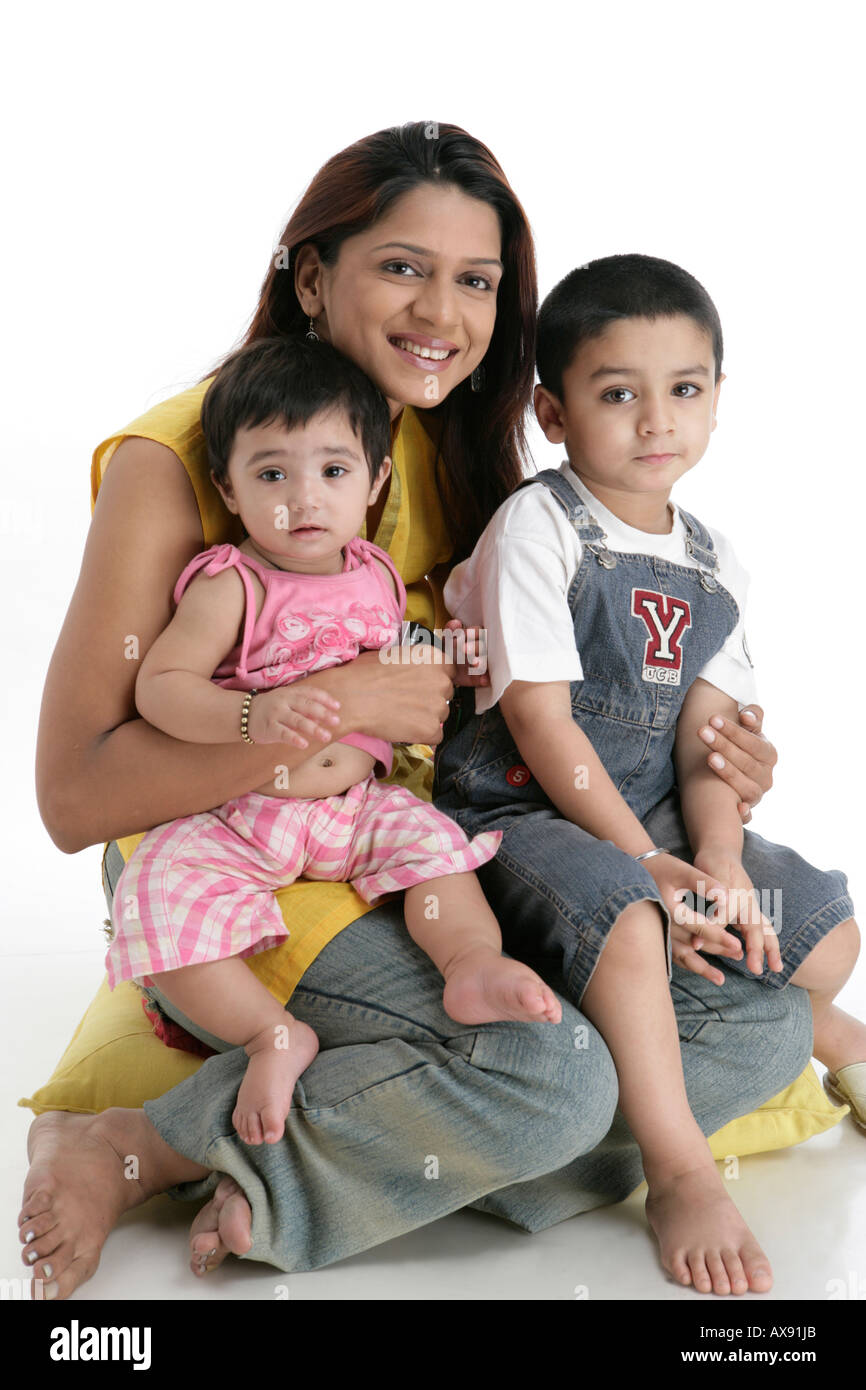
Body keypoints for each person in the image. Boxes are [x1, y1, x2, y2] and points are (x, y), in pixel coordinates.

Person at [22, 126, 794, 1304]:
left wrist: (711, 751)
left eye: (476, 281)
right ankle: (139, 1145)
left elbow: (547, 706)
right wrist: (302, 719)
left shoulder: (453, 451)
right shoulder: (182, 456)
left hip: (428, 851)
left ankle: (378, 1160)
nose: (441, 310)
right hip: (238, 861)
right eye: (400, 267)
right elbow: (74, 795)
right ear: (311, 275)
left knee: (762, 1027)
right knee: (557, 1076)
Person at [433, 252, 862, 1294]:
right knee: (629, 913)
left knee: (817, 931)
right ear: (551, 409)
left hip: (659, 814)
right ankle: (674, 1166)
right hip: (522, 810)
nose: (654, 420)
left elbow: (707, 738)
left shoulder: (714, 559)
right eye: (616, 393)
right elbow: (535, 718)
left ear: (716, 398)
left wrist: (711, 853)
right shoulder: (540, 526)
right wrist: (644, 865)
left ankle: (822, 1023)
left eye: (683, 390)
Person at [106, 334, 561, 1147]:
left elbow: (395, 657)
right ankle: (268, 1034)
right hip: (243, 812)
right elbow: (160, 686)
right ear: (228, 488)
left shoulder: (376, 573)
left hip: (356, 808)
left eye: (334, 471)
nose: (302, 499)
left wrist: (456, 659)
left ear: (375, 482)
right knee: (157, 890)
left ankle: (469, 965)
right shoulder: (231, 584)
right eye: (271, 474)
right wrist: (252, 719)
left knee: (439, 852)